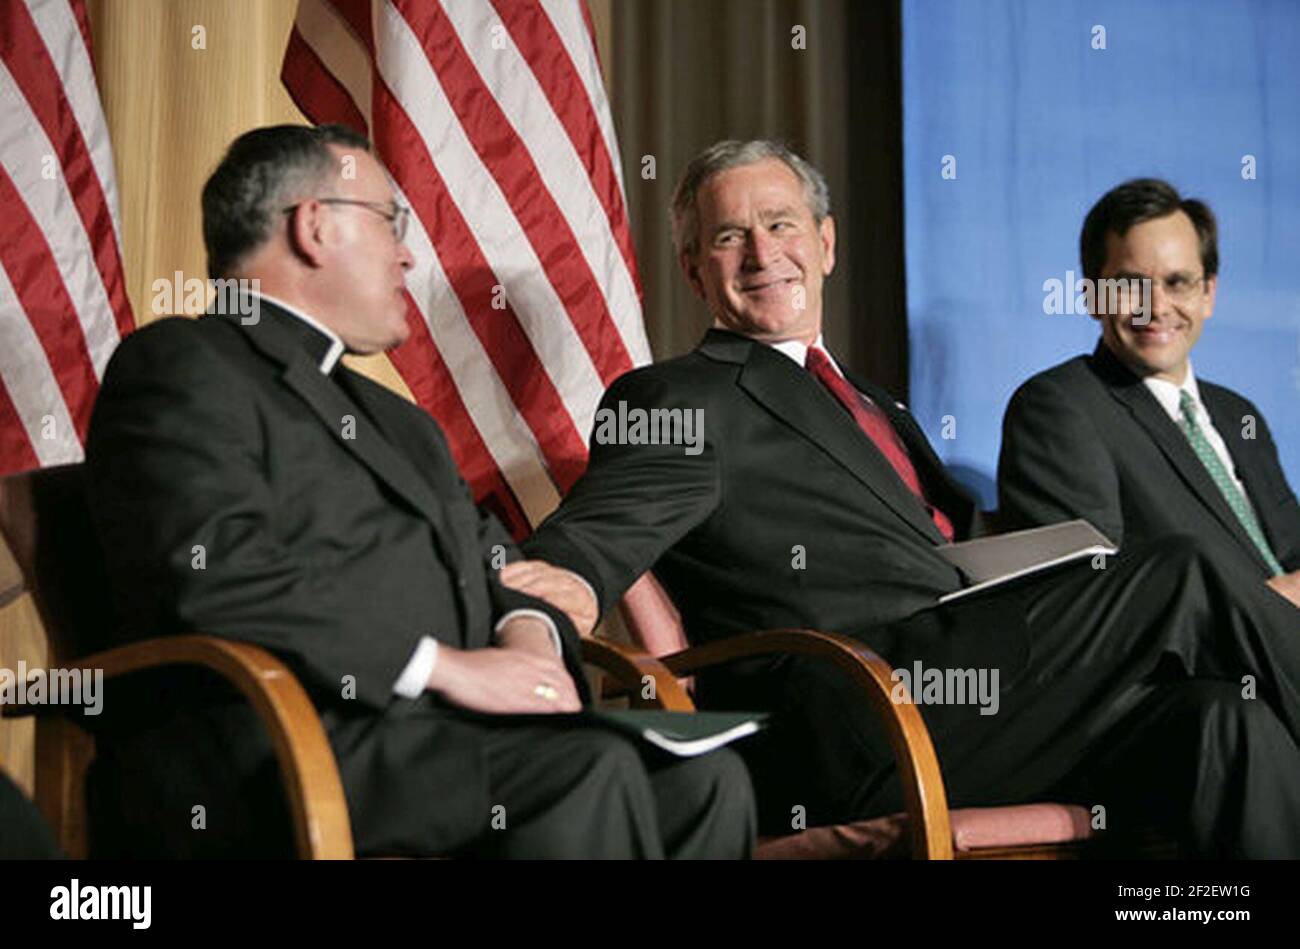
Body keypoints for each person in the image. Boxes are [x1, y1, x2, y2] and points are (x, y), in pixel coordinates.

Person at [523, 140, 1300, 857]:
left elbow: (958, 549)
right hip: (862, 714)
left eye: (781, 224)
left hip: (975, 693)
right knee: (1179, 573)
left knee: (1225, 719)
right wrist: (542, 602)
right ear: (694, 270)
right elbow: (597, 533)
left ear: (825, 244)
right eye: (729, 236)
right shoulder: (677, 397)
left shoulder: (876, 405)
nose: (763, 253)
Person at [84, 124, 754, 859]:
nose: (406, 252)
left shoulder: (399, 423)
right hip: (276, 746)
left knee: (707, 780)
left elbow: (502, 566)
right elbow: (218, 576)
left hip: (438, 740)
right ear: (314, 225)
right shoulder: (184, 364)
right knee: (589, 771)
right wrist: (449, 666)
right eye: (389, 221)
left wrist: (527, 636)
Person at [999, 178, 1300, 610]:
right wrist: (1265, 608)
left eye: (1178, 282)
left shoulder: (1239, 415)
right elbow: (1090, 605)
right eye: (1130, 284)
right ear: (1091, 295)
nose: (1156, 308)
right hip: (1210, 672)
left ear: (1208, 294)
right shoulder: (1057, 409)